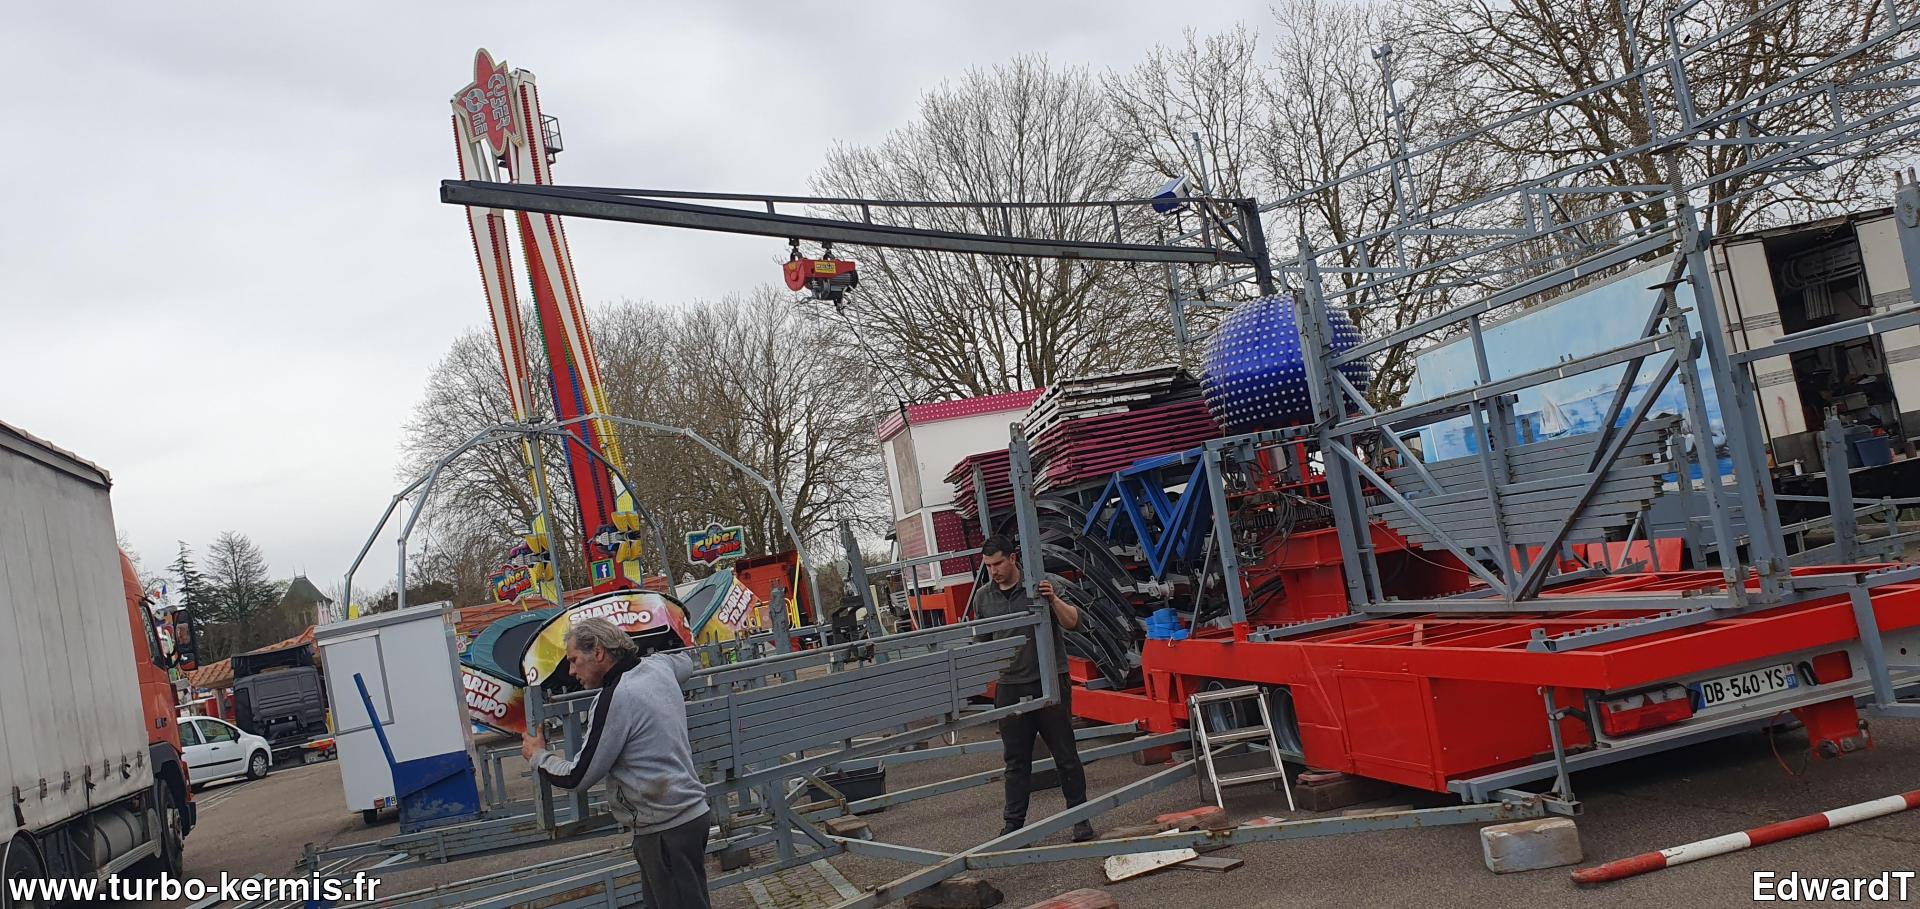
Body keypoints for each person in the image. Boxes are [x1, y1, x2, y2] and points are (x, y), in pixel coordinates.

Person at [522, 617, 711, 908]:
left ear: (598, 652)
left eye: (574, 660)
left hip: (664, 829)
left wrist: (538, 756)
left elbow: (577, 776)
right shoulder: (658, 667)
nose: (571, 671)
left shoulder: (615, 698)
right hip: (690, 817)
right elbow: (685, 662)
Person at [967, 534, 1094, 842]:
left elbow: (1073, 622)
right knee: (1015, 760)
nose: (993, 571)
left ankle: (1080, 819)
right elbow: (982, 645)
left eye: (998, 564)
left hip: (1050, 680)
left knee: (1065, 755)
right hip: (1010, 687)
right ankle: (1013, 826)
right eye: (988, 566)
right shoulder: (983, 598)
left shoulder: (1042, 585)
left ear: (1012, 558)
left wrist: (1052, 600)